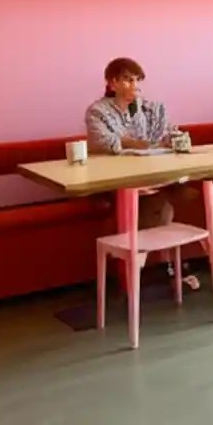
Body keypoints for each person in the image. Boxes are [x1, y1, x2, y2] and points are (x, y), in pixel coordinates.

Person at [85, 57, 197, 287]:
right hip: (114, 179)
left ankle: (153, 266)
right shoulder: (97, 111)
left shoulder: (151, 108)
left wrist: (176, 139)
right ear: (112, 83)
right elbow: (106, 142)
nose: (134, 85)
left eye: (137, 80)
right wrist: (143, 144)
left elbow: (166, 134)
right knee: (162, 199)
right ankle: (157, 266)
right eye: (127, 80)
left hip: (151, 175)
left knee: (170, 195)